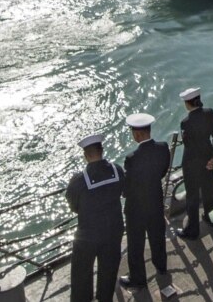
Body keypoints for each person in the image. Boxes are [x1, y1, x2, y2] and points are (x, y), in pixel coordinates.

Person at [66, 134, 124, 302]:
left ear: (85, 155)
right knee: (109, 268)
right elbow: (122, 190)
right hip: (114, 230)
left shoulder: (78, 180)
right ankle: (104, 298)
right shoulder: (117, 170)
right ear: (102, 150)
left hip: (88, 235)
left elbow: (73, 205)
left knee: (82, 272)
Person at [120, 112, 171, 288]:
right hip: (155, 200)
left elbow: (128, 186)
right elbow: (163, 170)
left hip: (136, 208)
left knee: (136, 243)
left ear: (137, 134)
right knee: (157, 236)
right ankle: (162, 266)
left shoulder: (131, 158)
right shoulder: (163, 147)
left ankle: (138, 278)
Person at [176, 87, 213, 239]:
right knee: (209, 189)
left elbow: (188, 145)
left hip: (191, 163)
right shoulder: (210, 113)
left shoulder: (186, 123)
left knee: (192, 195)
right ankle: (212, 218)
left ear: (187, 104)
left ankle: (192, 229)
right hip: (208, 158)